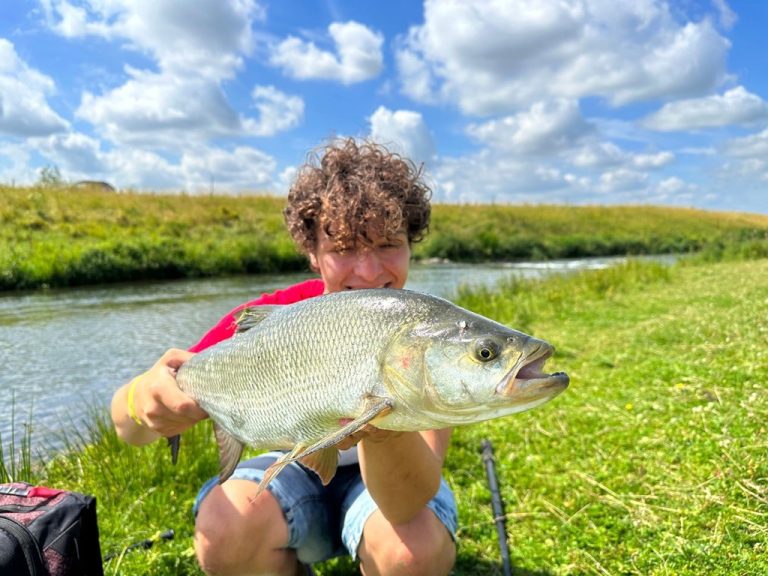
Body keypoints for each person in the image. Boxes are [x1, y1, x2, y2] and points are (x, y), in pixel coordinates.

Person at [110, 138, 457, 576]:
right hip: (291, 473)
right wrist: (144, 399)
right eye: (344, 249)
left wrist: (382, 430)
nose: (369, 273)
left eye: (388, 244)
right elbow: (124, 428)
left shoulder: (425, 331)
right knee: (221, 527)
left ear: (411, 244)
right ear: (313, 253)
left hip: (387, 493)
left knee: (413, 552)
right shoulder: (267, 323)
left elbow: (407, 503)